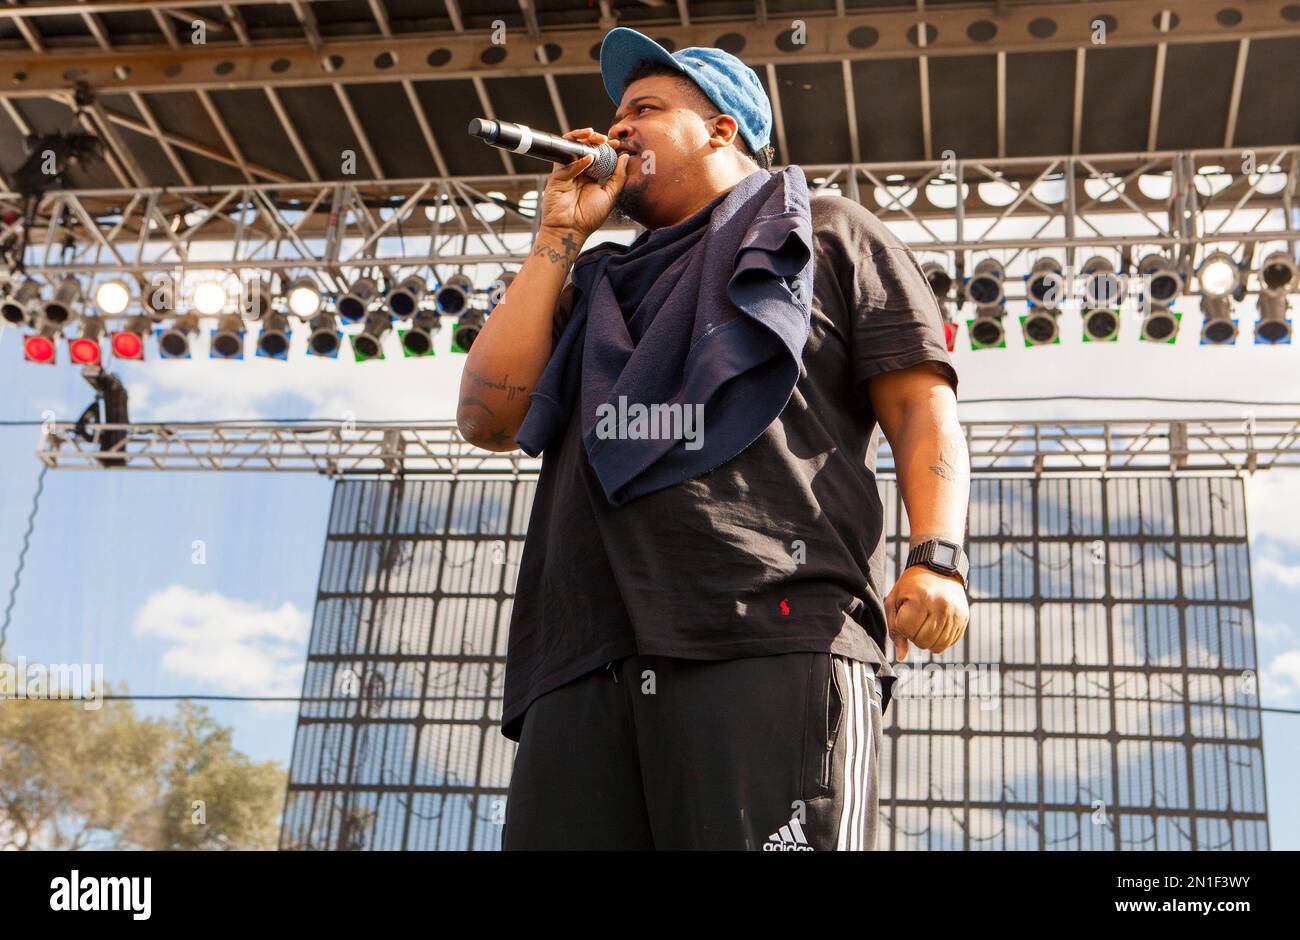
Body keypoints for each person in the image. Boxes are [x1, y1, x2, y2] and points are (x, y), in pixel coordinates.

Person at [457, 26, 970, 851]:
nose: (616, 131)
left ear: (722, 129)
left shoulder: (829, 230)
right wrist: (557, 236)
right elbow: (489, 417)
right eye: (614, 116)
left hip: (770, 628)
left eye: (644, 111)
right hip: (582, 655)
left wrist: (936, 556)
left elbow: (920, 406)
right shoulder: (593, 282)